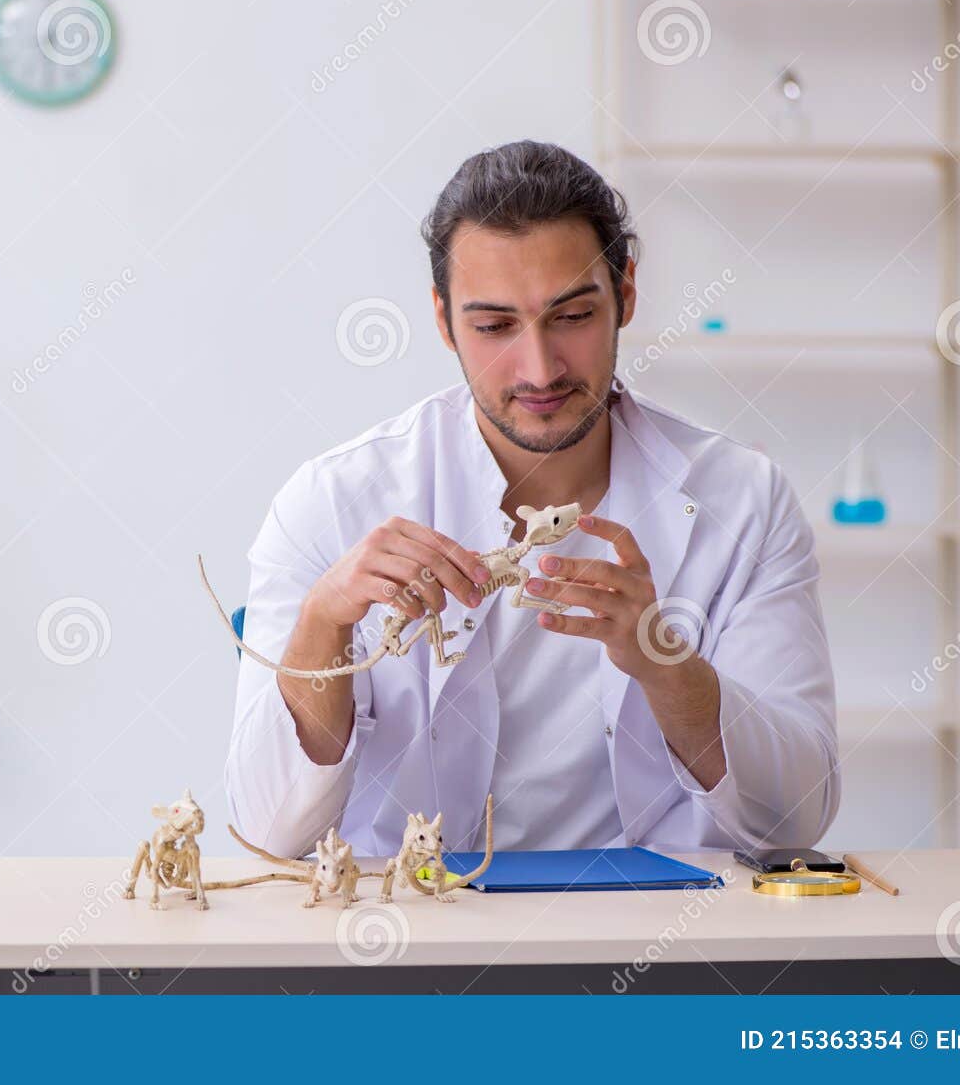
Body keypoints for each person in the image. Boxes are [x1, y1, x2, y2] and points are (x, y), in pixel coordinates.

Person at [224, 140, 839, 859]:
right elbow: (266, 832)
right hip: (409, 940)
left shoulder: (743, 502)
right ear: (443, 318)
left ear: (626, 295)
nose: (539, 368)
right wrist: (322, 625)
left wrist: (664, 663)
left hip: (659, 939)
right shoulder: (332, 503)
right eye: (493, 327)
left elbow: (796, 819)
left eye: (572, 316)